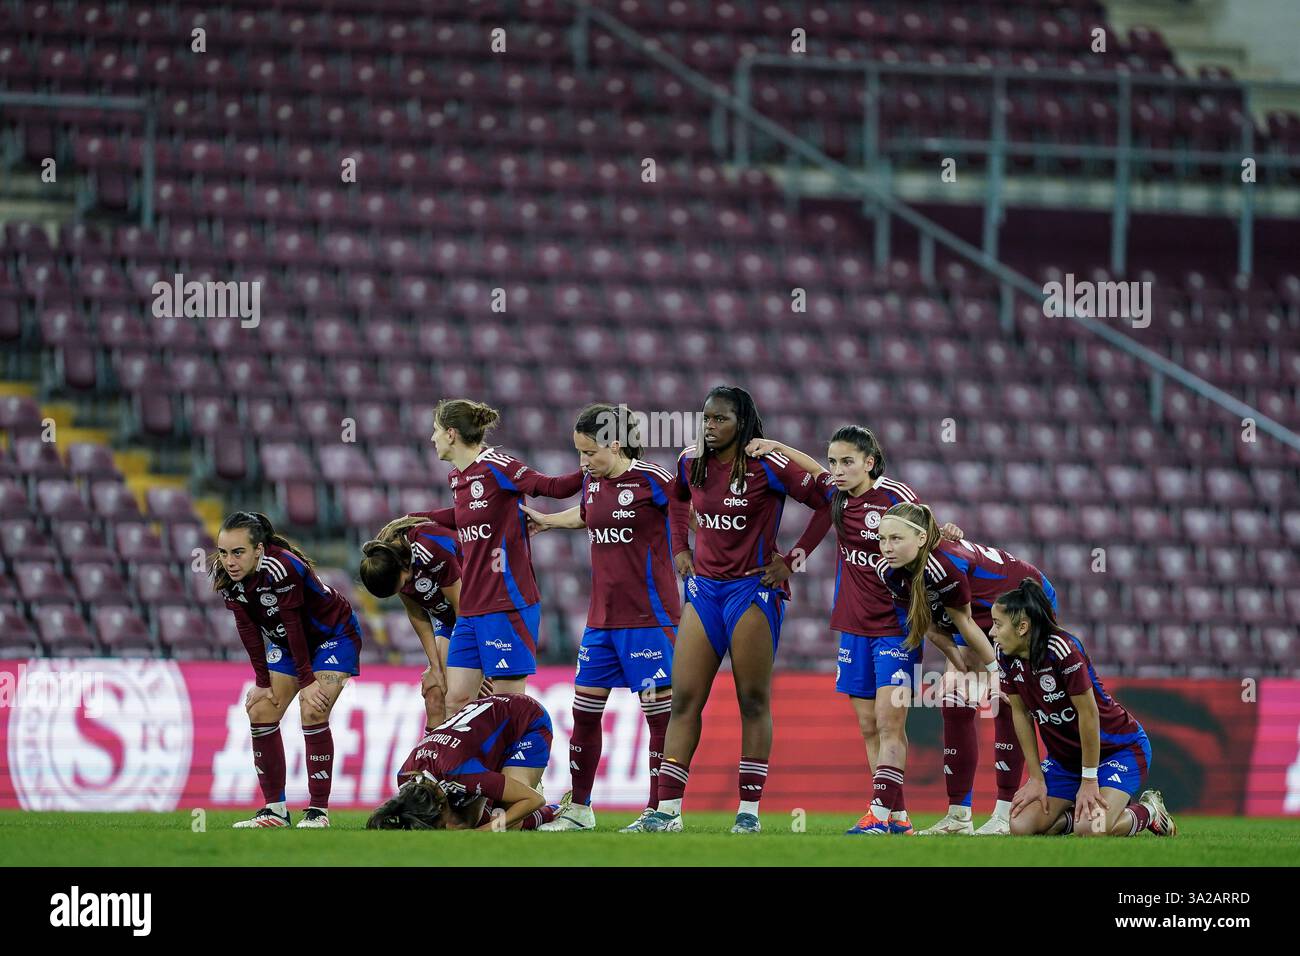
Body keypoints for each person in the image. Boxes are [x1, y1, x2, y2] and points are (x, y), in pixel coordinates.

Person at [743, 430, 962, 835]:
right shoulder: (838, 494)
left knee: (889, 722)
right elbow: (811, 469)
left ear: (870, 462)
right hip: (853, 627)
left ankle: (877, 814)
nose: (838, 470)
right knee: (867, 725)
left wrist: (946, 534)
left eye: (847, 462)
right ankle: (896, 816)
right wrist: (777, 448)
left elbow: (926, 535)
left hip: (897, 628)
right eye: (833, 462)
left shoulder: (895, 496)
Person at [642, 386, 831, 834]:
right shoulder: (691, 461)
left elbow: (828, 501)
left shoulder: (769, 464)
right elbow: (676, 500)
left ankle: (748, 813)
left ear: (742, 423)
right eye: (706, 418)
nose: (710, 426)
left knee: (752, 700)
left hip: (752, 590)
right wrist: (679, 550)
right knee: (685, 699)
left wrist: (793, 560)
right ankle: (667, 812)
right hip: (704, 591)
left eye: (720, 419)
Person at [522, 403, 679, 832]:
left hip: (649, 620)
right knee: (585, 714)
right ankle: (582, 809)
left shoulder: (655, 481)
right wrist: (549, 522)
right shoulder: (593, 484)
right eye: (578, 453)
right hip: (601, 622)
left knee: (658, 718)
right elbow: (589, 515)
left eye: (589, 453)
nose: (582, 462)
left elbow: (692, 516)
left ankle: (660, 812)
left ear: (614, 444)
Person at [875, 501, 1059, 836]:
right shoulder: (892, 573)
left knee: (1005, 699)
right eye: (882, 539)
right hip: (975, 616)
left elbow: (965, 622)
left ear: (919, 539)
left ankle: (1004, 814)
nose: (887, 547)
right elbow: (930, 626)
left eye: (895, 539)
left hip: (1022, 600)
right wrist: (960, 665)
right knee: (954, 698)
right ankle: (959, 816)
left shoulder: (941, 565)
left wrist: (994, 673)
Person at [407, 398, 583, 716]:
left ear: (450, 434)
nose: (431, 439)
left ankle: (513, 766)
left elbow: (552, 487)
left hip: (508, 604)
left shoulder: (499, 467)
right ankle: (468, 767)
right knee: (456, 701)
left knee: (507, 708)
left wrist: (589, 468)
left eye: (434, 431)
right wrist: (412, 520)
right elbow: (462, 515)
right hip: (471, 609)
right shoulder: (457, 479)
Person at [992, 579, 1176, 838]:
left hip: (1119, 750)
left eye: (998, 625)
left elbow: (1088, 715)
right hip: (1065, 762)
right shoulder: (1004, 655)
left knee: (1092, 829)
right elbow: (1021, 713)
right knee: (1021, 826)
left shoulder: (1063, 650)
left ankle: (1148, 812)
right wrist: (1035, 777)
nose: (992, 632)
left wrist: (1089, 780)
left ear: (1022, 627)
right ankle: (1074, 818)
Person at [214, 511, 362, 829]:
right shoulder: (227, 575)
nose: (229, 561)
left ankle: (318, 811)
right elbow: (248, 628)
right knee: (261, 708)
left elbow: (294, 623)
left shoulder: (282, 566)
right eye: (223, 552)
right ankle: (275, 810)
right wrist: (262, 681)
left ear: (259, 550)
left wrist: (307, 681)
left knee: (312, 707)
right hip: (286, 640)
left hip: (333, 637)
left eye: (238, 552)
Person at [359, 515, 492, 734]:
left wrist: (478, 663)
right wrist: (435, 668)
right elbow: (416, 613)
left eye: (401, 584)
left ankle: (481, 758)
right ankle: (431, 762)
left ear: (402, 566)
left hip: (477, 612)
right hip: (447, 616)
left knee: (472, 694)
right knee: (434, 690)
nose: (404, 589)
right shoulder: (386, 559)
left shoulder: (429, 549)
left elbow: (463, 609)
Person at [366, 694, 556, 831]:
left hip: (527, 721)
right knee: (463, 824)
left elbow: (534, 800)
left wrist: (484, 832)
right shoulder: (405, 777)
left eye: (439, 824)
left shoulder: (461, 773)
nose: (444, 828)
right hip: (483, 737)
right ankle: (503, 786)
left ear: (440, 805)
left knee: (506, 821)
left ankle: (556, 812)